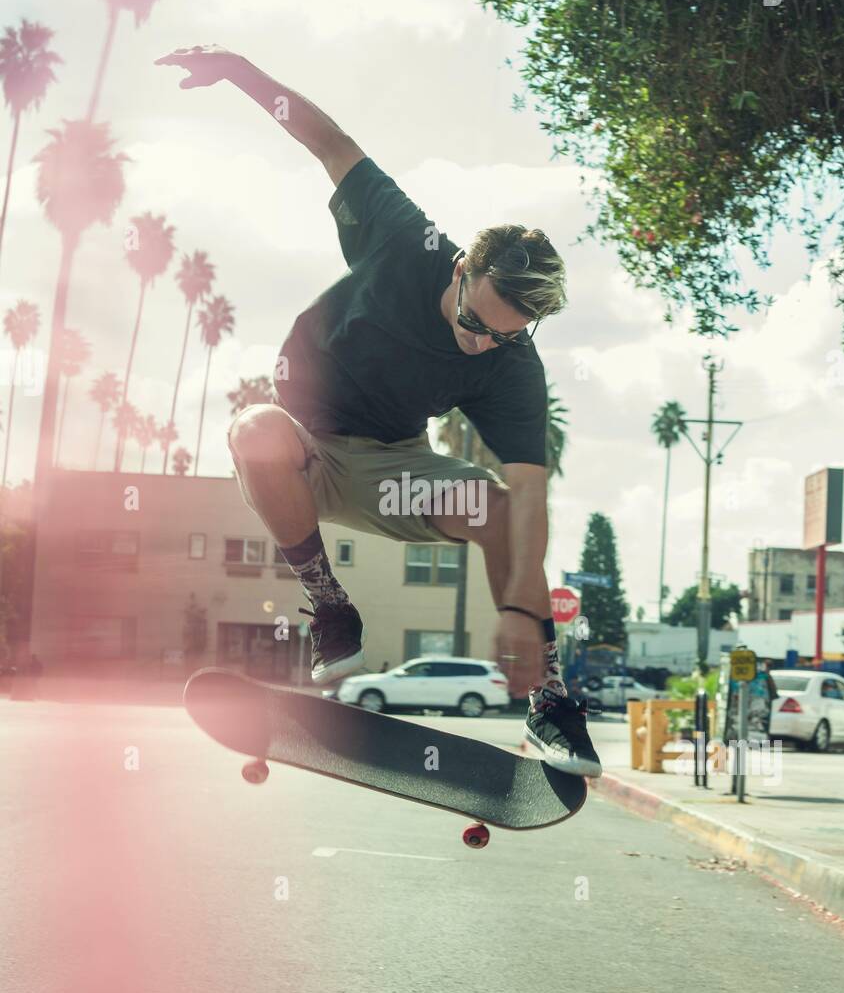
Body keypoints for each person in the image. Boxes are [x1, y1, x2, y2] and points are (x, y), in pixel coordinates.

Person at [157, 46, 600, 778]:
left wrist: (521, 618)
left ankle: (551, 704)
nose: (481, 342)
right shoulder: (403, 237)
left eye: (503, 335)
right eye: (476, 321)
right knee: (254, 431)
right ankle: (331, 605)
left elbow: (527, 497)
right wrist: (238, 70)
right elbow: (326, 141)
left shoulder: (513, 363)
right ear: (462, 269)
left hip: (397, 467)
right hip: (309, 450)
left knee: (494, 510)